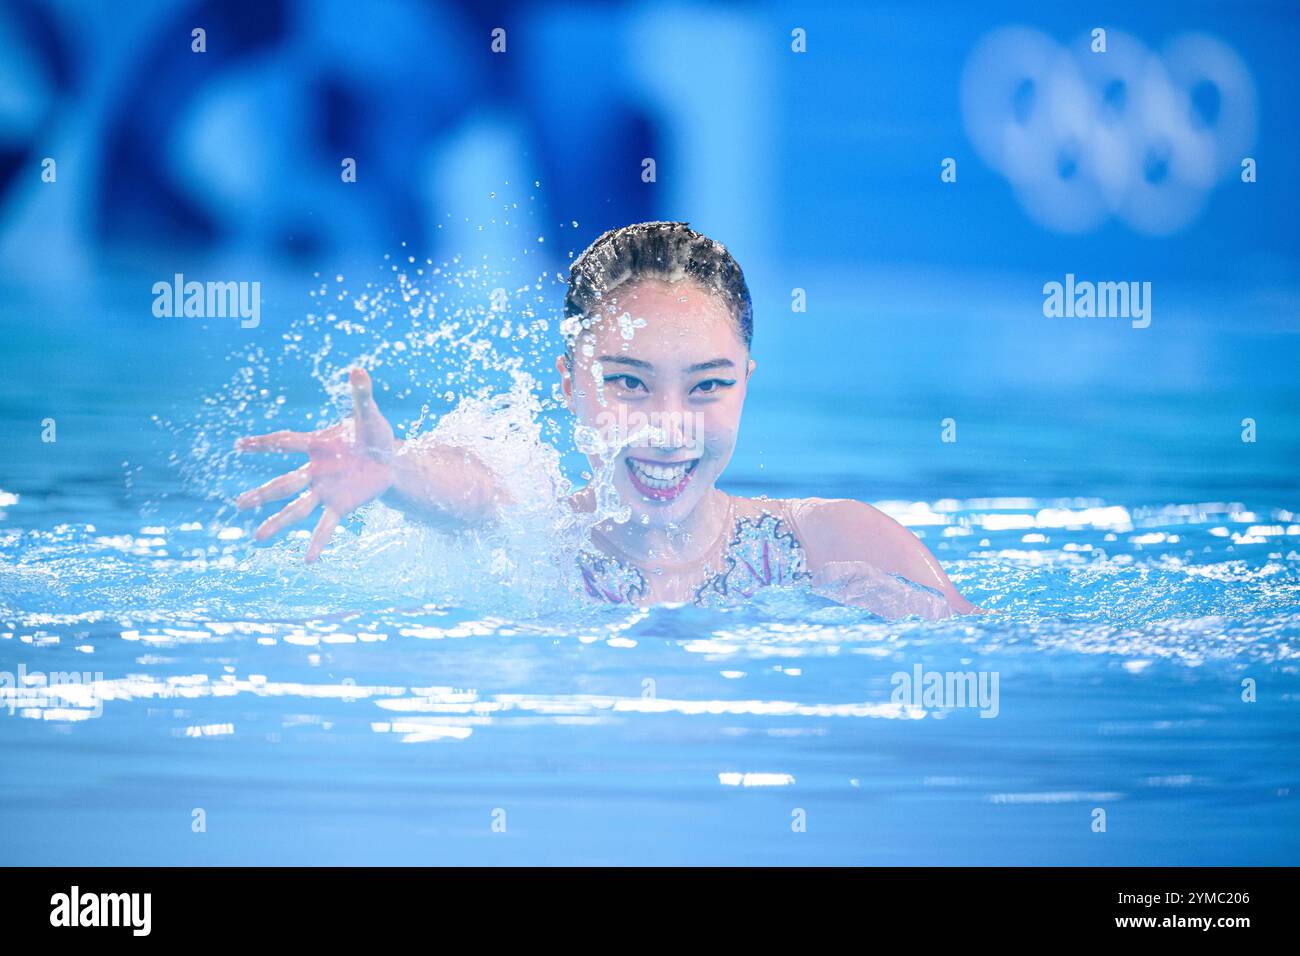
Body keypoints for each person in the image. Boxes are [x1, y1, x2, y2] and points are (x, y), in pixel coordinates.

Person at [234, 222, 982, 618]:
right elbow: (476, 491)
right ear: (567, 384)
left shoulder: (831, 544)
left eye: (706, 387)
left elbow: (1000, 657)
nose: (668, 426)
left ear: (745, 384)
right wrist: (396, 473)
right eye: (628, 382)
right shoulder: (535, 540)